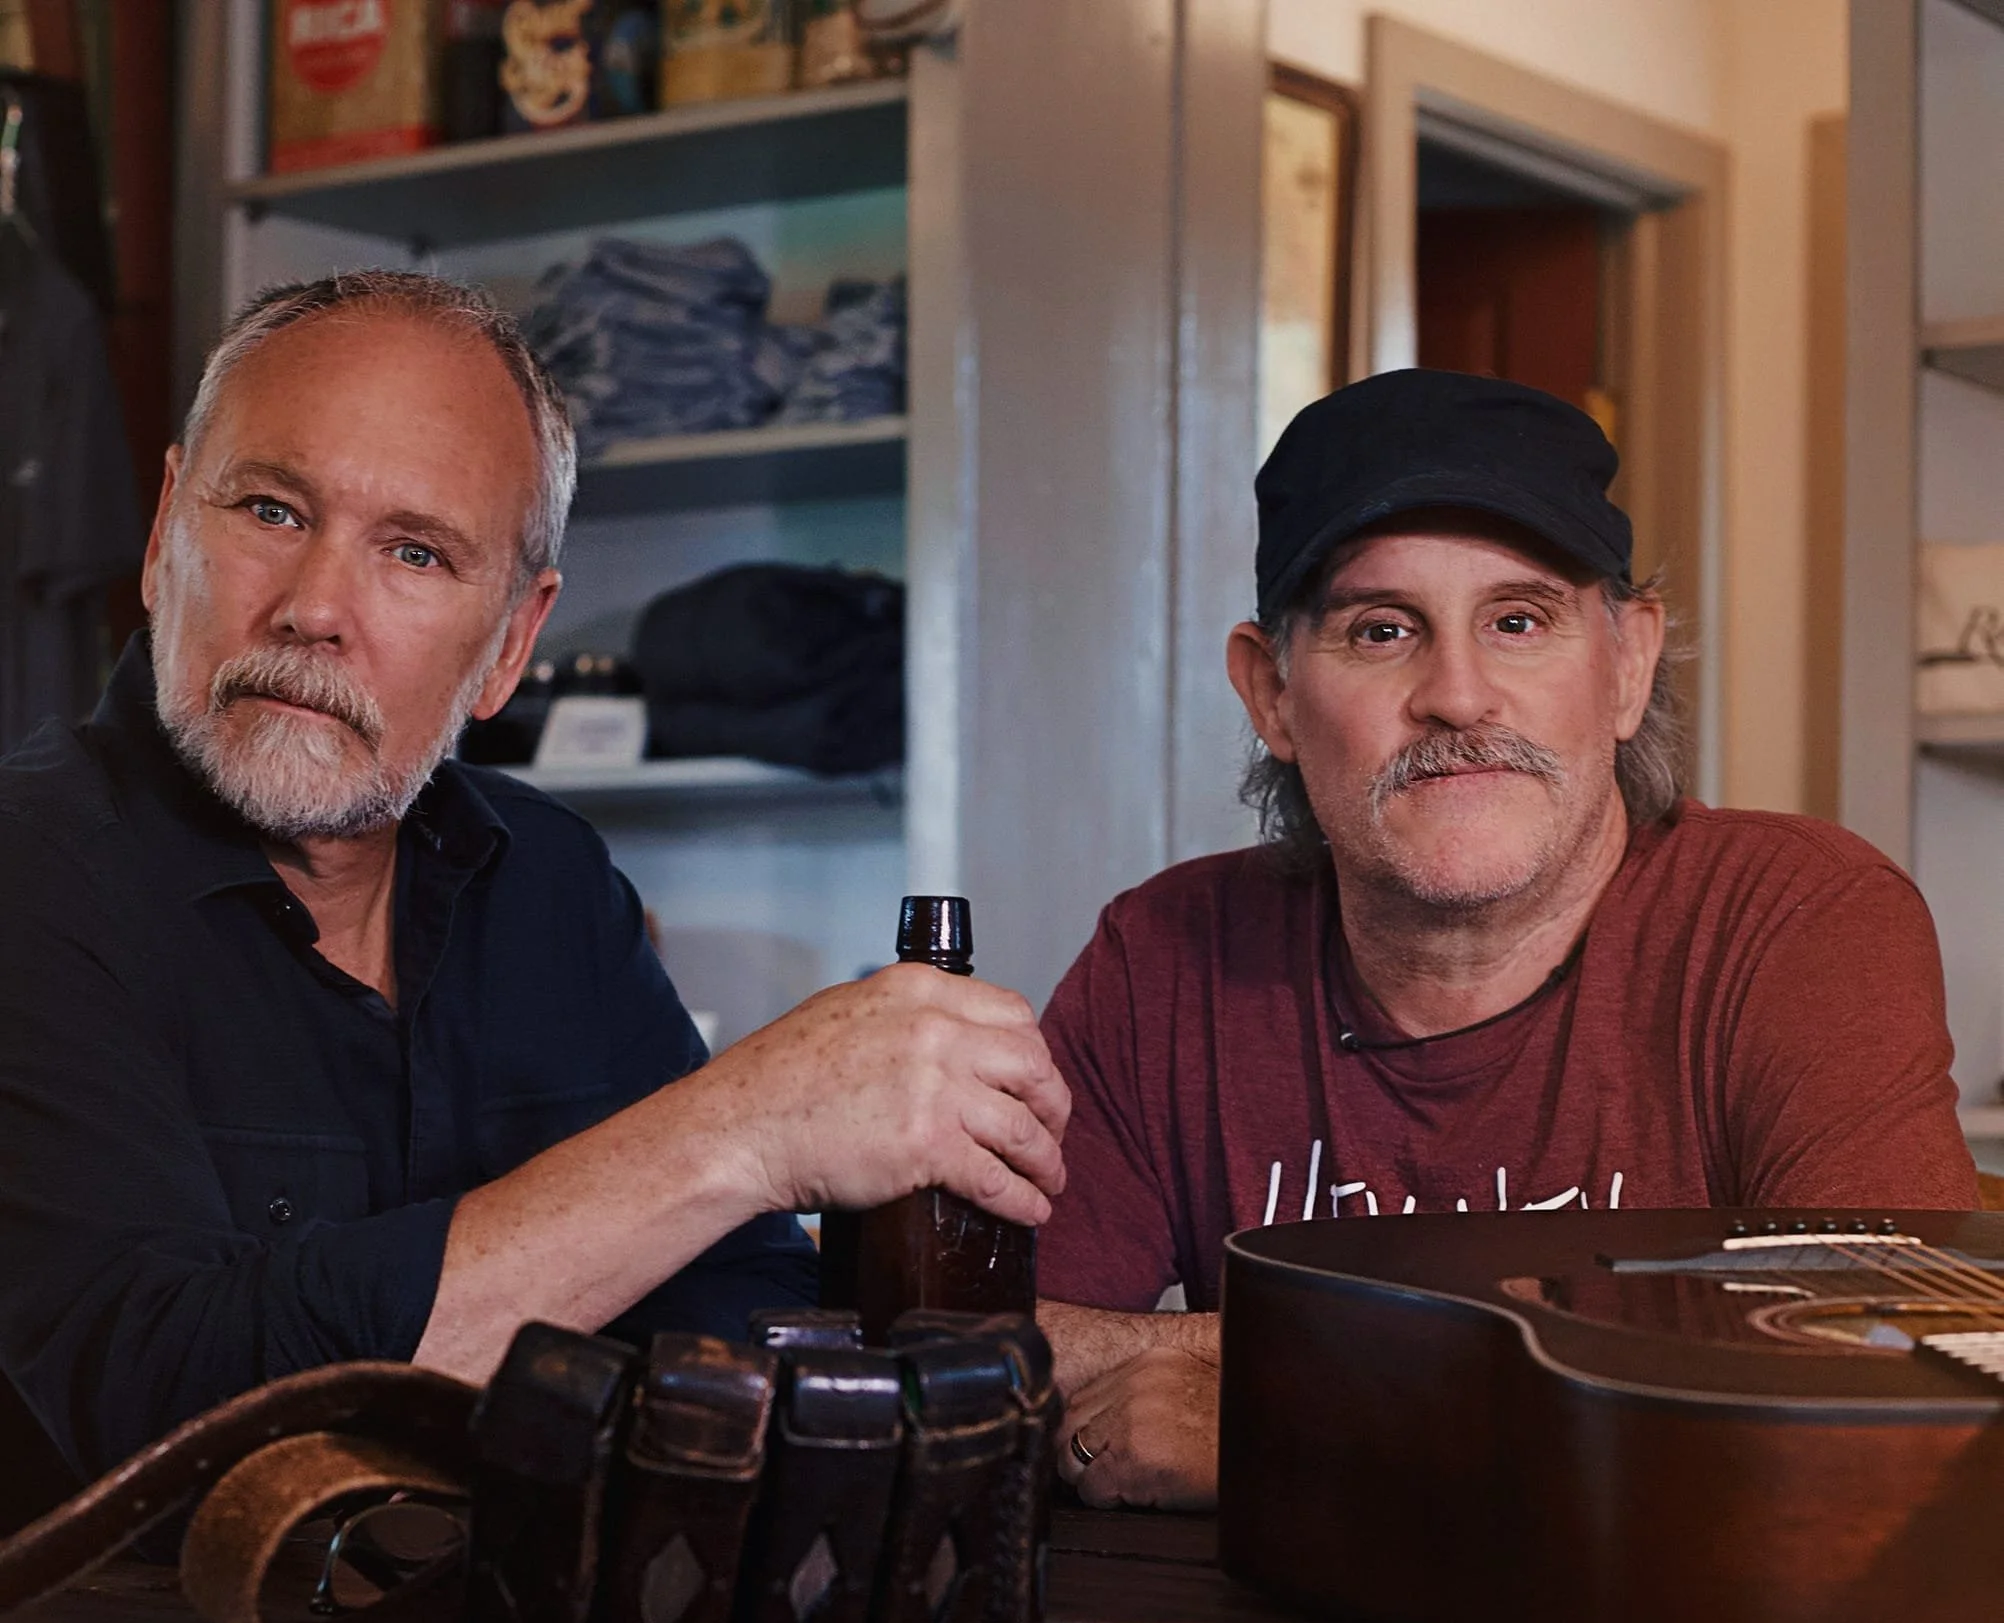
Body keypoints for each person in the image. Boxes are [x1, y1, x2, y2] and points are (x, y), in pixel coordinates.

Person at [0, 271, 1068, 1485]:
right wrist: (744, 1128)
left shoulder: (546, 879)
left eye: (414, 552)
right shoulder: (31, 876)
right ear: (160, 539)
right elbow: (167, 1406)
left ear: (511, 642)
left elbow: (734, 1301)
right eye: (270, 511)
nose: (314, 611)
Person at [1037, 369, 1977, 1511]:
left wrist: (1294, 1415)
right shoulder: (1165, 953)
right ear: (1271, 693)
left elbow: (1896, 1382)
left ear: (1628, 663)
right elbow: (981, 1351)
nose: (1459, 695)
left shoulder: (1794, 916)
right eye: (1382, 630)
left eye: (1518, 620)